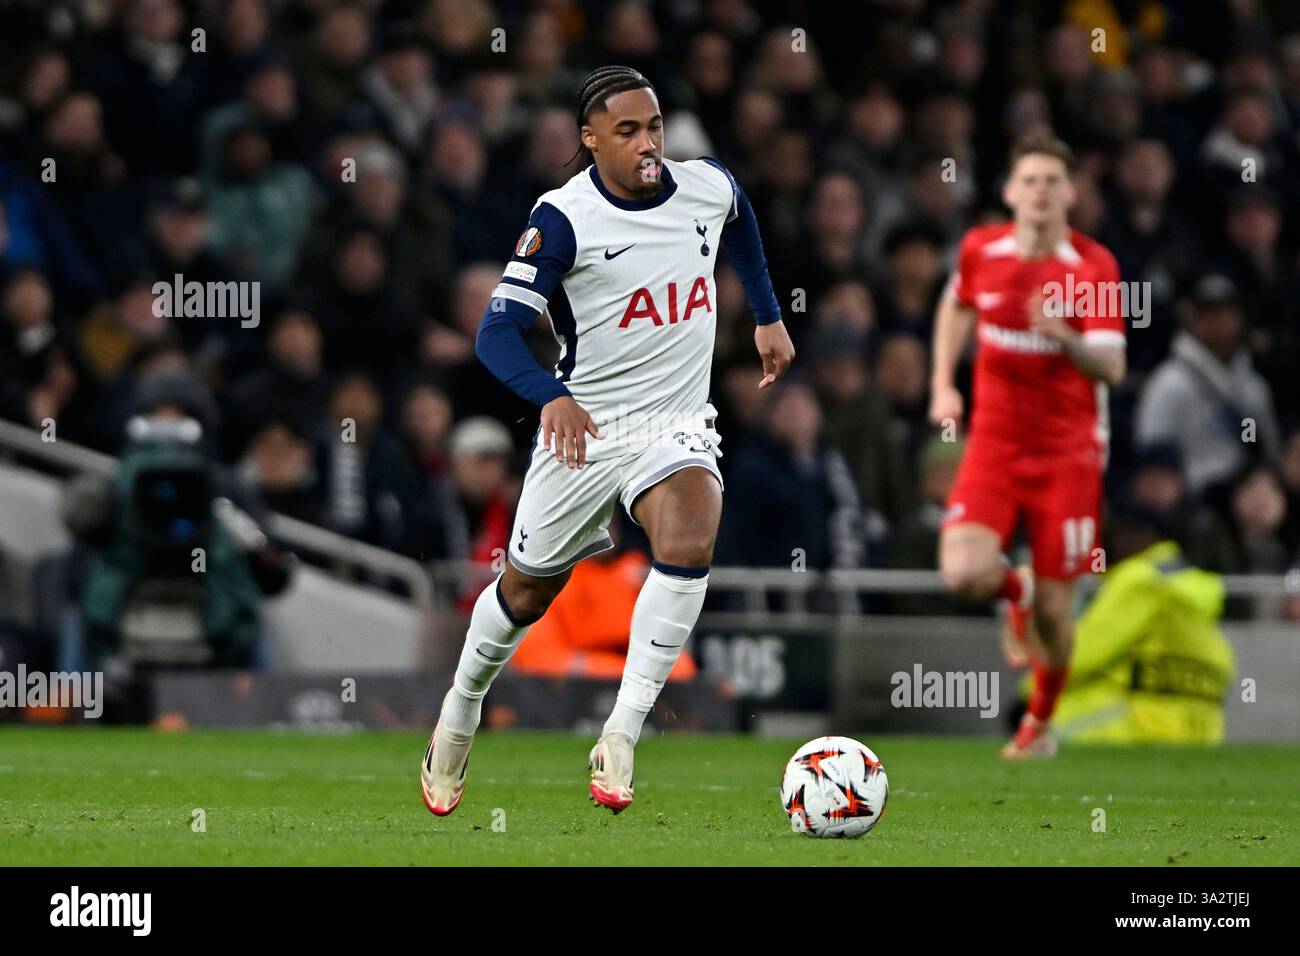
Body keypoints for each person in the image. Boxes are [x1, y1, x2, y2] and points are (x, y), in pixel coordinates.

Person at [421, 65, 794, 816]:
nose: (647, 143)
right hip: (587, 428)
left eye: (653, 126)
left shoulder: (703, 185)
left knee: (690, 539)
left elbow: (742, 220)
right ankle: (459, 709)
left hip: (677, 423)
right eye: (627, 131)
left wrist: (766, 312)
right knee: (525, 592)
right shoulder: (562, 217)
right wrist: (551, 396)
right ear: (590, 140)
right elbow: (495, 332)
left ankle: (621, 733)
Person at [928, 133, 1126, 759]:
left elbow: (1113, 370)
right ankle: (1016, 590)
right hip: (995, 441)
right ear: (1011, 192)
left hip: (1069, 453)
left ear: (1071, 193)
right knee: (962, 571)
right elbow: (957, 303)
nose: (1041, 191)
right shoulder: (981, 249)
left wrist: (1065, 336)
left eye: (1053, 181)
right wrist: (942, 385)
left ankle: (1039, 723)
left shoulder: (1093, 267)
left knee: (1056, 616)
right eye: (1030, 180)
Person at [1047, 502, 1235, 745]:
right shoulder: (1195, 589)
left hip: (1132, 722)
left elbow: (1087, 650)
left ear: (1135, 535)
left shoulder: (1138, 580)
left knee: (1048, 720)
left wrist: (1031, 691)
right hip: (1198, 731)